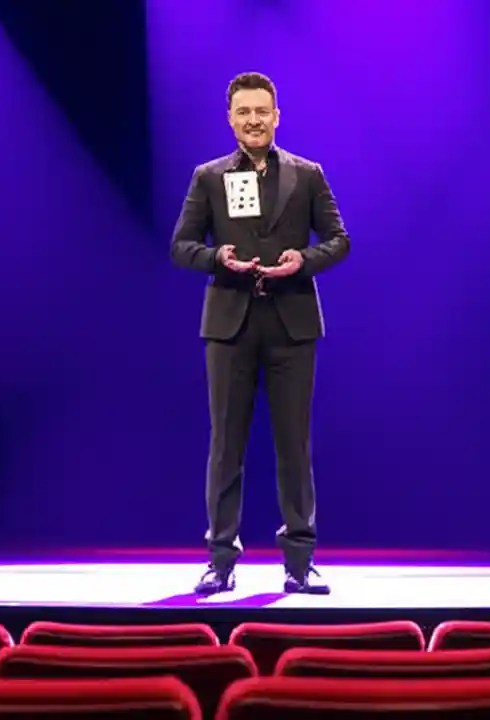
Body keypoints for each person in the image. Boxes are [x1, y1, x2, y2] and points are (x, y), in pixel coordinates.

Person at [169, 71, 351, 595]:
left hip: (292, 323)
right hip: (231, 324)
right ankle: (220, 560)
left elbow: (339, 239)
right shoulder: (209, 176)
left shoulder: (307, 174)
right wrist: (217, 258)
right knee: (226, 444)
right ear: (230, 119)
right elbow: (181, 245)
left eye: (261, 111)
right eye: (244, 112)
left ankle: (300, 561)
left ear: (277, 116)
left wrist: (304, 260)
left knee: (294, 444)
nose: (253, 120)